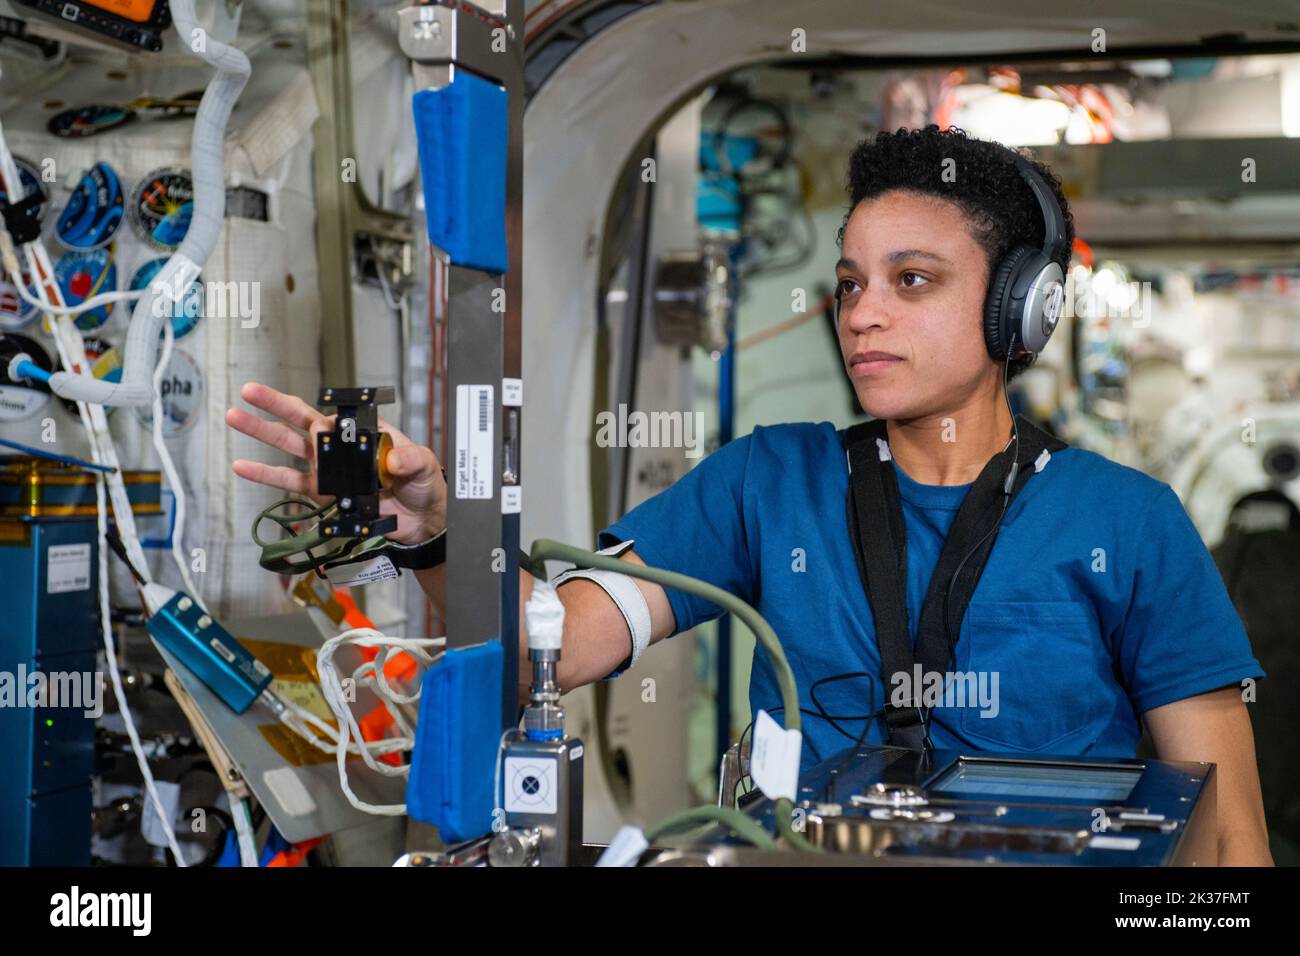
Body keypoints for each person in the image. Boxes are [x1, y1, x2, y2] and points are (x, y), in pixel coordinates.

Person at [226, 125, 1271, 865]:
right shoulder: (768, 478)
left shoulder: (1128, 522)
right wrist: (434, 532)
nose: (862, 313)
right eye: (851, 281)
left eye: (912, 280)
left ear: (1018, 308)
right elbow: (557, 640)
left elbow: (1228, 832)